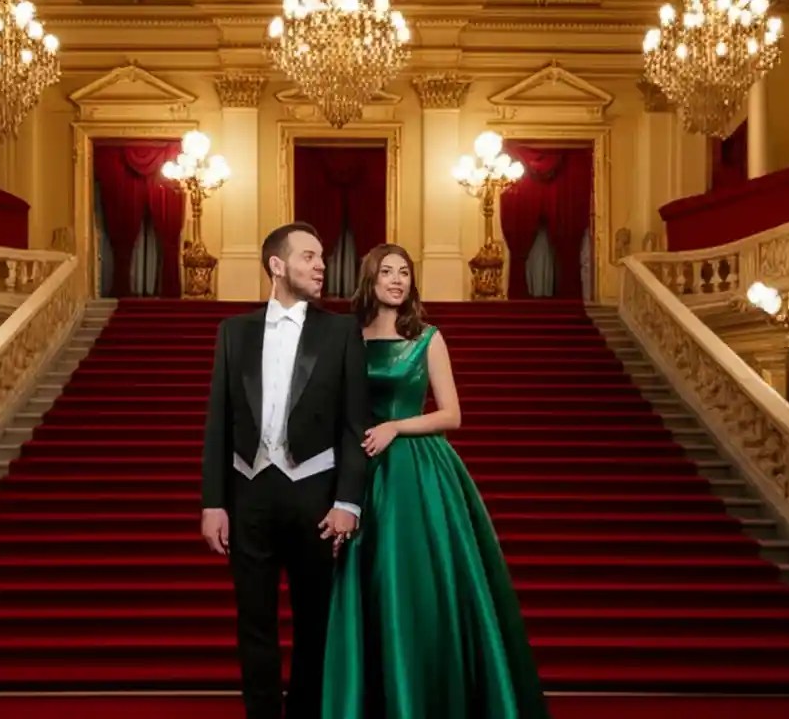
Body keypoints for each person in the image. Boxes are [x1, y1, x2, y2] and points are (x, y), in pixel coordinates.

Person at [322, 244, 550, 719]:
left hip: (419, 471)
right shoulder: (349, 338)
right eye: (386, 272)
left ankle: (431, 691)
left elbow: (452, 415)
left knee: (421, 582)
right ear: (371, 279)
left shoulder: (427, 337)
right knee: (375, 585)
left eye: (404, 272)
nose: (396, 280)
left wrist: (395, 427)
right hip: (366, 471)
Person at [200, 222, 369, 719]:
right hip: (249, 493)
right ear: (278, 265)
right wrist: (214, 501)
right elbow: (218, 421)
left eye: (322, 256)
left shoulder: (340, 331)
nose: (321, 265)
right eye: (309, 256)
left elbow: (355, 424)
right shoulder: (234, 332)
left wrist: (347, 502)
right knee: (254, 621)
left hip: (315, 496)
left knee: (315, 622)